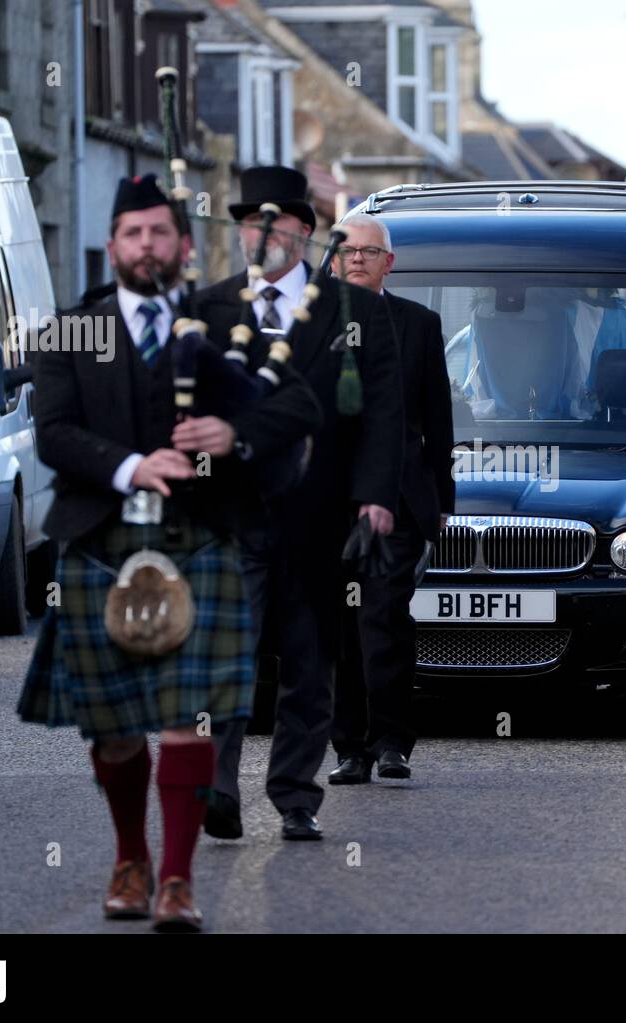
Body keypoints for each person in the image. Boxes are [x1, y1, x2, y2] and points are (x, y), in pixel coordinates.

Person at [17, 174, 321, 931]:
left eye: (159, 232)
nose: (145, 245)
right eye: (131, 233)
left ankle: (177, 878)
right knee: (116, 728)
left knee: (187, 716)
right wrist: (130, 465)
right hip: (101, 539)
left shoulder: (223, 323)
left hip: (201, 537)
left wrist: (233, 434)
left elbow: (297, 407)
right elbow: (52, 432)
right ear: (114, 245)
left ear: (183, 245)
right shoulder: (72, 329)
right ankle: (131, 855)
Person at [194, 166, 405, 841]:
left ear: (305, 232)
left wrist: (374, 497)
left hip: (319, 516)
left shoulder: (358, 312)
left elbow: (382, 417)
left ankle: (294, 795)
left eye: (276, 222)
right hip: (232, 513)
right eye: (250, 222)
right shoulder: (207, 310)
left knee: (309, 662)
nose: (262, 233)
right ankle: (218, 785)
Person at [329, 213, 455, 784]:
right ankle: (348, 748)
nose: (357, 259)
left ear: (389, 263)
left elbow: (439, 423)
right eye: (348, 251)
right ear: (333, 260)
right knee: (339, 623)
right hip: (325, 504)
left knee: (382, 617)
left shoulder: (419, 325)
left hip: (398, 502)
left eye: (369, 252)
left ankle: (391, 743)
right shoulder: (307, 326)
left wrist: (441, 502)